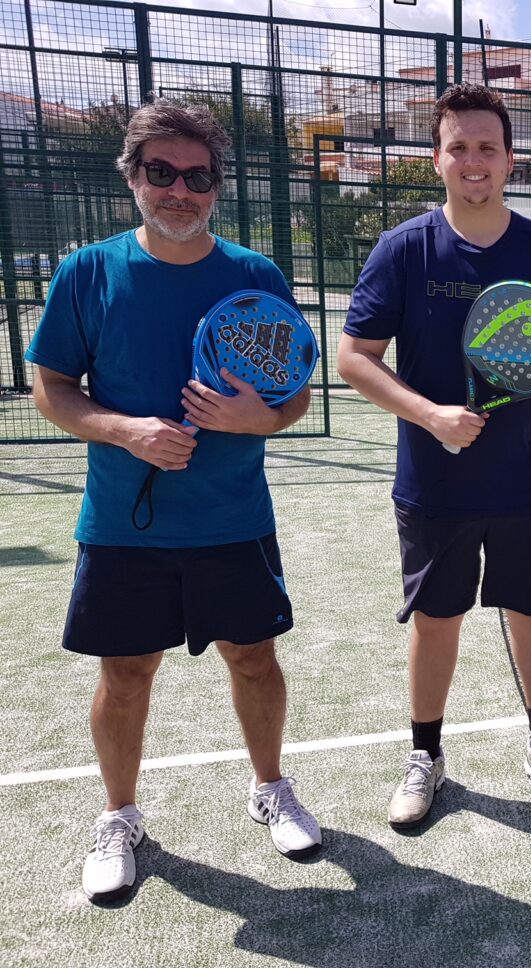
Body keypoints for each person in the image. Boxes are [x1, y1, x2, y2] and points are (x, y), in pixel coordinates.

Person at [25, 100, 322, 904]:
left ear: (218, 186)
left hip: (234, 519)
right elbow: (51, 386)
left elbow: (291, 393)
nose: (180, 190)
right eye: (162, 172)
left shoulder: (256, 277)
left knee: (254, 660)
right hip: (124, 523)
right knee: (125, 675)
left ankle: (271, 788)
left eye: (198, 176)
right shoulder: (86, 271)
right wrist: (124, 430)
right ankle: (120, 815)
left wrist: (260, 417)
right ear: (134, 177)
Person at [338, 84, 531, 828]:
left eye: (487, 147)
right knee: (437, 620)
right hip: (435, 482)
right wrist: (429, 416)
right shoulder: (404, 248)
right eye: (458, 147)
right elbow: (354, 358)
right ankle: (425, 756)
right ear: (438, 160)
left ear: (510, 160)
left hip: (529, 480)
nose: (474, 161)